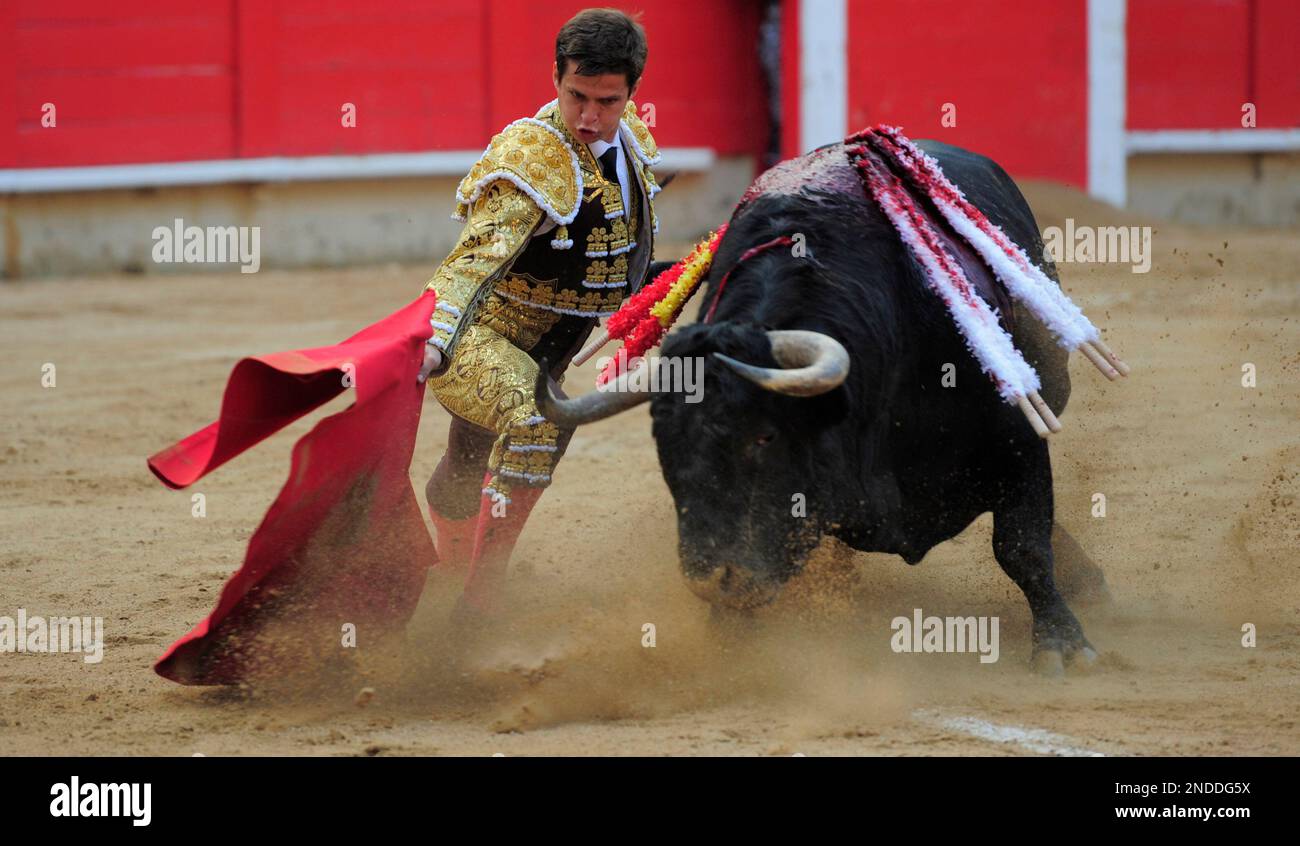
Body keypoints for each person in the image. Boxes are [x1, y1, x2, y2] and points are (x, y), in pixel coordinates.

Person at [415, 8, 663, 617]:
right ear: (555, 75)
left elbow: (621, 247)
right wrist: (436, 337)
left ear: (632, 92)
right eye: (576, 95)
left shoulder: (631, 144)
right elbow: (473, 261)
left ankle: (454, 573)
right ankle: (479, 600)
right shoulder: (531, 156)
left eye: (607, 101)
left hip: (551, 342)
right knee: (538, 420)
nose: (588, 117)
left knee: (476, 454)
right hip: (481, 334)